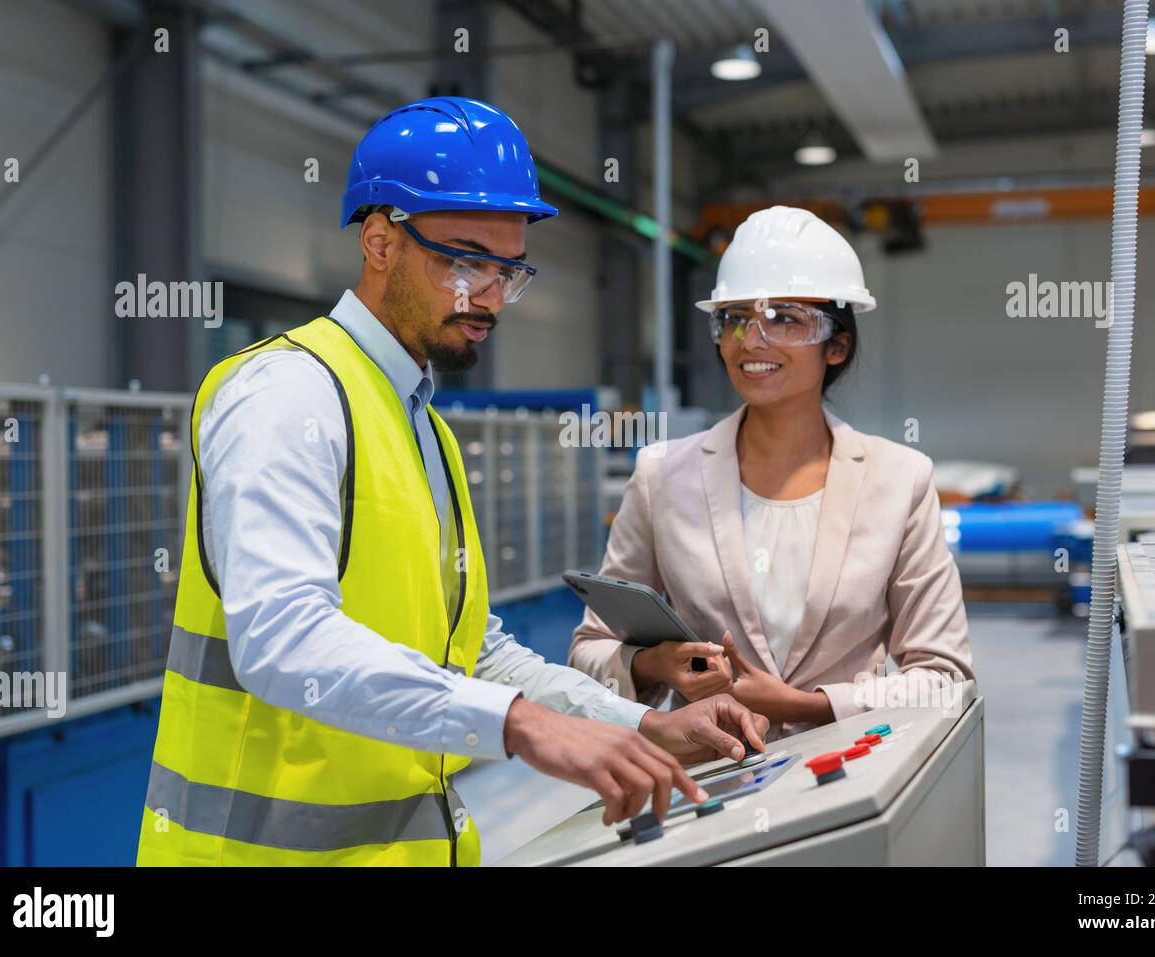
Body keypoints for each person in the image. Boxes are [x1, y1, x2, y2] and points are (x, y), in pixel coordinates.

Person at [136, 97, 766, 867]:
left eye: (510, 270)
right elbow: (283, 639)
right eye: (466, 261)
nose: (491, 298)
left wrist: (639, 724)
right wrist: (520, 724)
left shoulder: (423, 425)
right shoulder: (285, 395)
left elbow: (468, 652)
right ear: (378, 240)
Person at [569, 206, 974, 738]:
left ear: (838, 345)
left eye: (784, 318)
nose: (752, 340)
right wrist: (652, 665)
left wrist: (806, 706)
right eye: (735, 318)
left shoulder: (900, 480)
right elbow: (589, 652)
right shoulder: (662, 476)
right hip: (713, 776)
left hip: (852, 772)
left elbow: (944, 678)